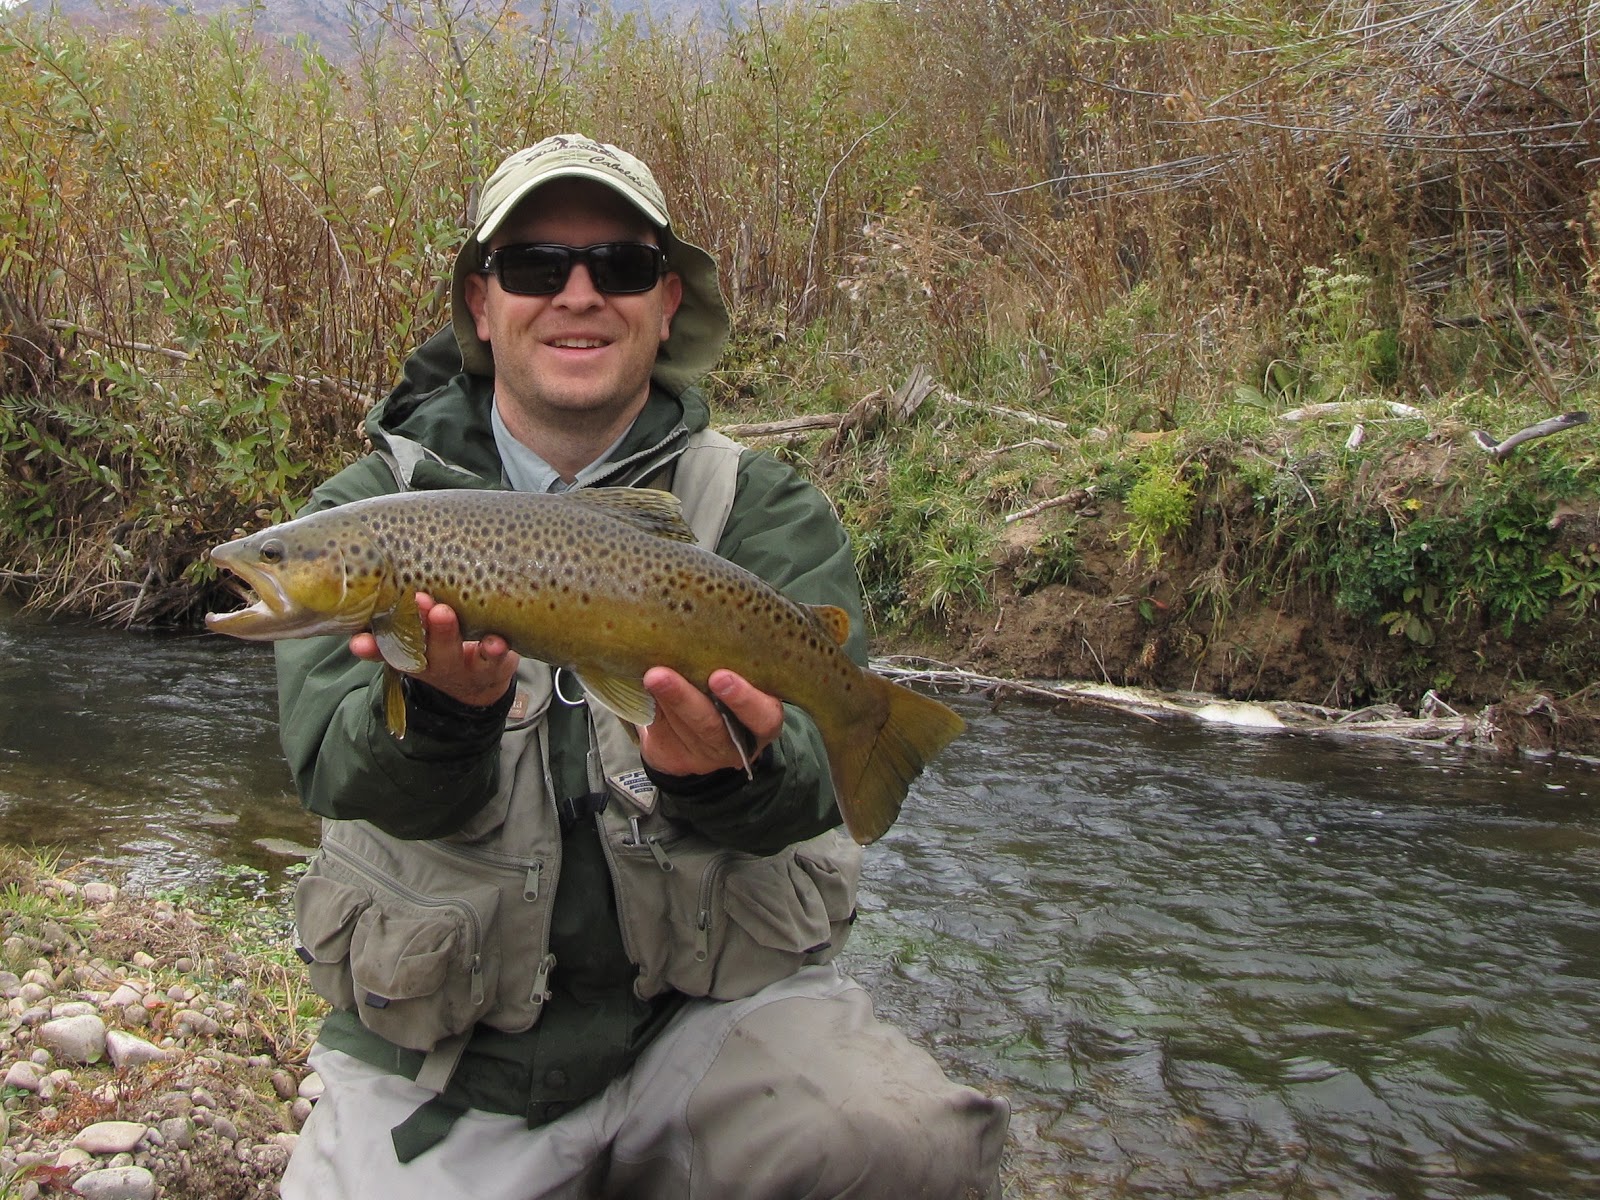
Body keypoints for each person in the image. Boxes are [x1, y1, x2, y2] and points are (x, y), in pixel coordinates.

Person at [275, 133, 1009, 1199]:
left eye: (616, 266)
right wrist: (440, 719)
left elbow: (808, 793)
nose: (578, 294)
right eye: (535, 267)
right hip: (452, 1060)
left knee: (909, 1147)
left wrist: (726, 772)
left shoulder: (766, 511)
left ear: (666, 302)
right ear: (481, 304)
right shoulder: (363, 515)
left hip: (710, 1027)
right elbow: (332, 770)